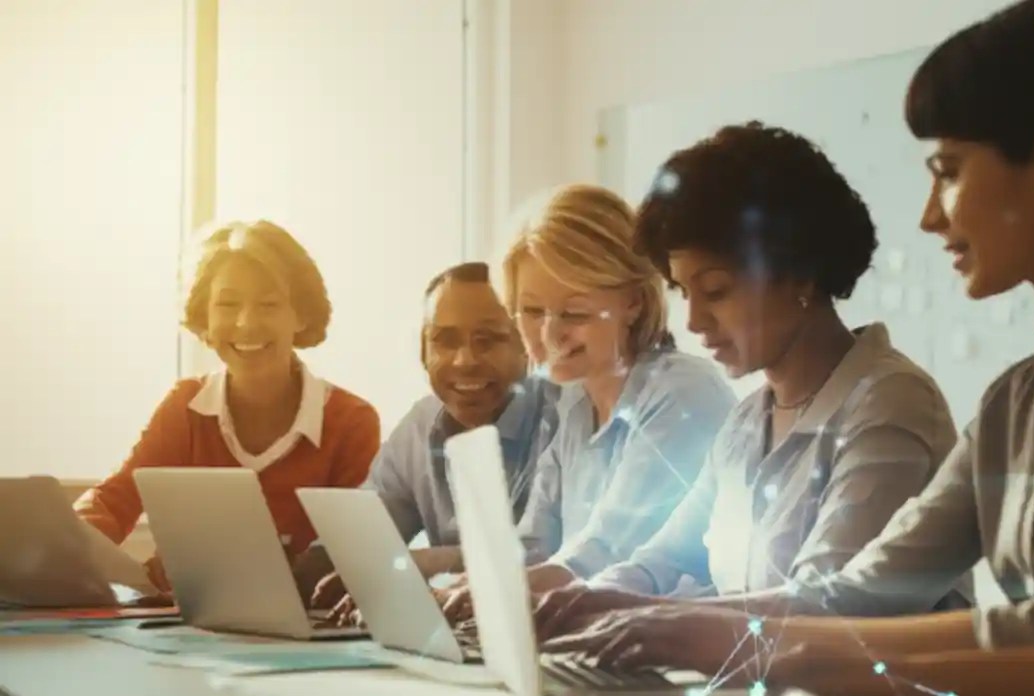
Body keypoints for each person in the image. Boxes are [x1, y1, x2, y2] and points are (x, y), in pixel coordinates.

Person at [541, 2, 1034, 696]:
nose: (930, 216)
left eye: (946, 171)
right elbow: (861, 591)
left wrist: (736, 640)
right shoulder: (1017, 399)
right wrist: (670, 621)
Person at [532, 122, 959, 638]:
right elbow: (660, 561)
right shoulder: (746, 423)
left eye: (715, 291)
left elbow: (827, 608)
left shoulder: (889, 403)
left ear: (800, 273)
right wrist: (581, 599)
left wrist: (656, 619)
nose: (693, 321)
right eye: (681, 292)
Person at [439, 184, 737, 618]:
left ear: (633, 302)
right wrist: (453, 589)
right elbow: (534, 543)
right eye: (532, 312)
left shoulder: (683, 392)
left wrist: (490, 591)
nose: (549, 335)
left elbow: (607, 551)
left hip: (667, 648)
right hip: (588, 635)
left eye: (574, 313)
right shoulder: (574, 403)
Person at [75, 220, 381, 592]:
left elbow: (353, 556)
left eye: (268, 304)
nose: (246, 323)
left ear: (300, 315)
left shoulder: (351, 422)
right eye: (228, 304)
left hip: (303, 632)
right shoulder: (184, 408)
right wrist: (63, 546)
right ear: (204, 317)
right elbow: (112, 502)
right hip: (183, 624)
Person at [296, 262, 560, 608]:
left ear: (527, 345)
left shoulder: (562, 420)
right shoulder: (420, 426)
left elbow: (549, 557)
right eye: (445, 341)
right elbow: (359, 537)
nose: (465, 360)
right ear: (424, 351)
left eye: (488, 340)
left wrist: (427, 562)